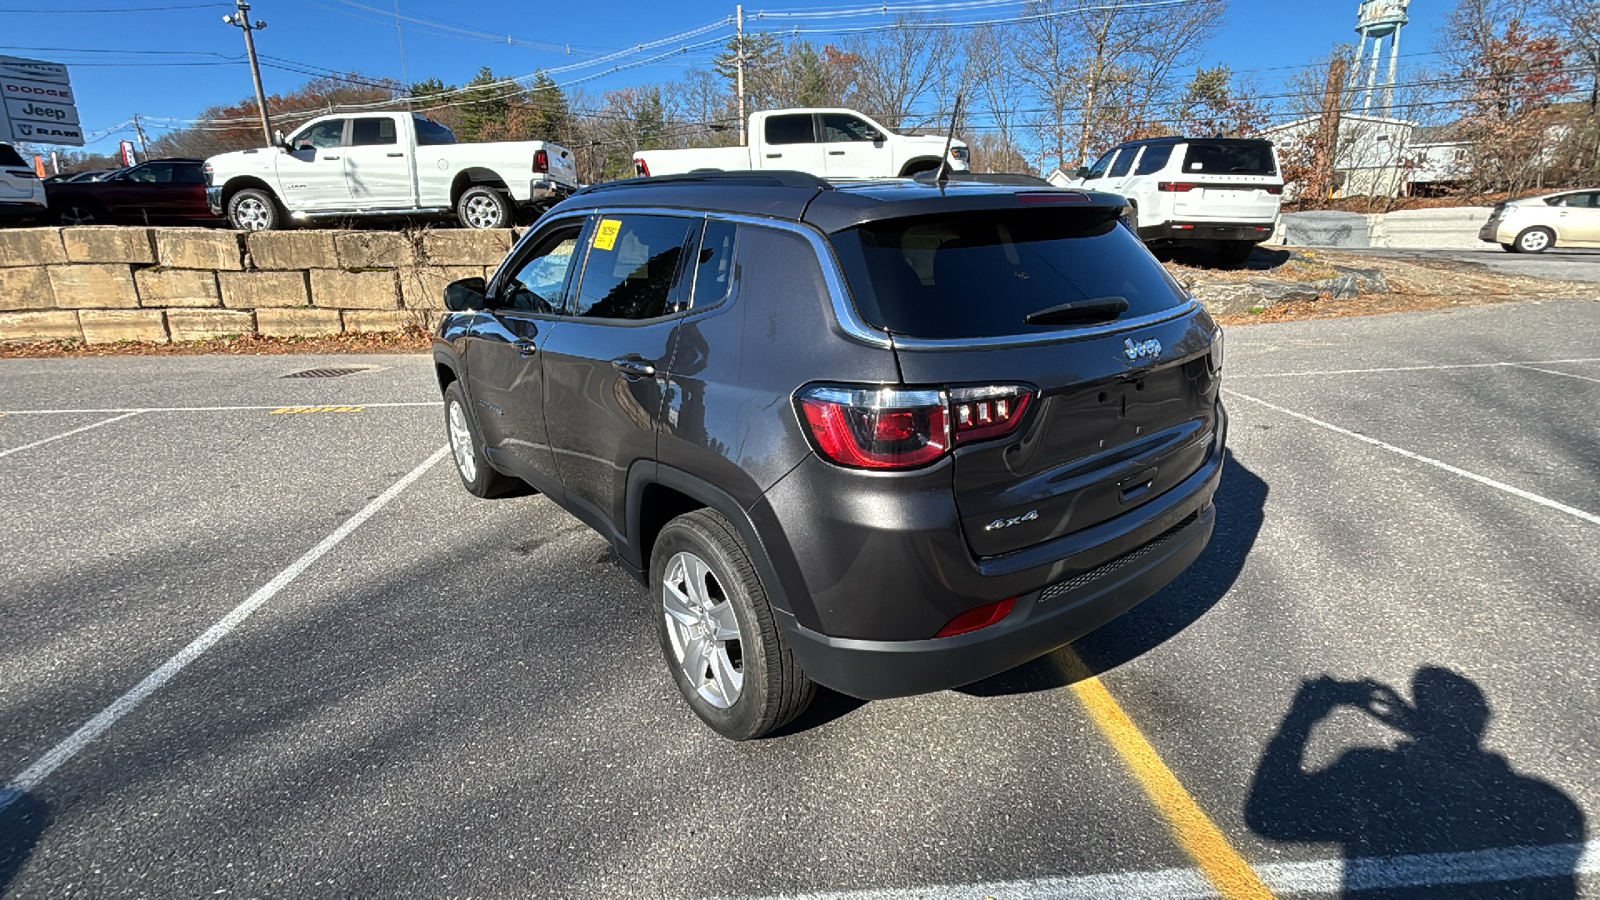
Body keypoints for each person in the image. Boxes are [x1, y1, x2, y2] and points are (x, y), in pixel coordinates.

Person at [1246, 667, 1584, 899]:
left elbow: (1268, 814)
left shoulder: (1373, 777)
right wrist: (1426, 733)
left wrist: (1301, 716)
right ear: (1482, 721)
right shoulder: (1550, 804)